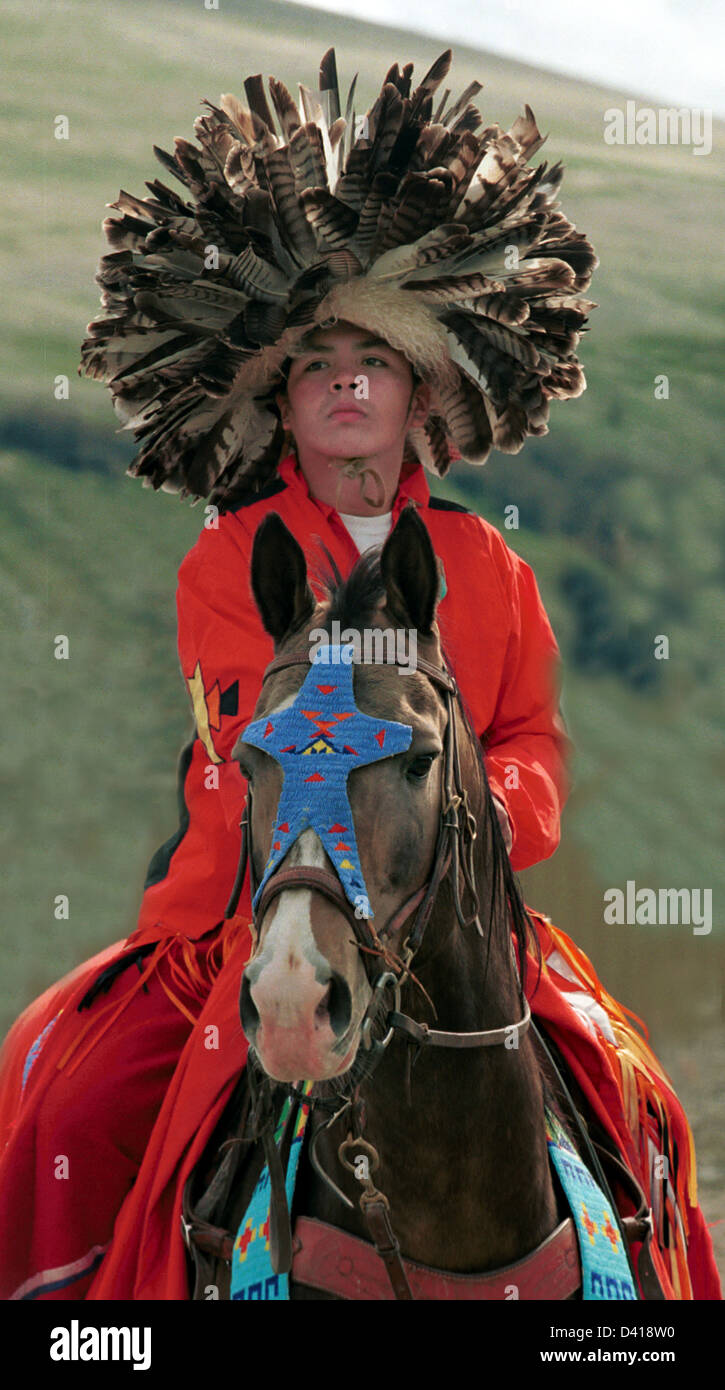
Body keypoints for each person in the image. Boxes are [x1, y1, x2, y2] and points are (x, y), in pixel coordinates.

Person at [0, 49, 718, 1301]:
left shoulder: (489, 568)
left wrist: (485, 807)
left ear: (417, 396)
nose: (345, 376)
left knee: (638, 1096)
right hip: (250, 914)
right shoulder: (233, 562)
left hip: (456, 904)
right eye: (319, 355)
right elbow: (272, 738)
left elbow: (533, 740)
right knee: (64, 1097)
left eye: (373, 358)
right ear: (281, 398)